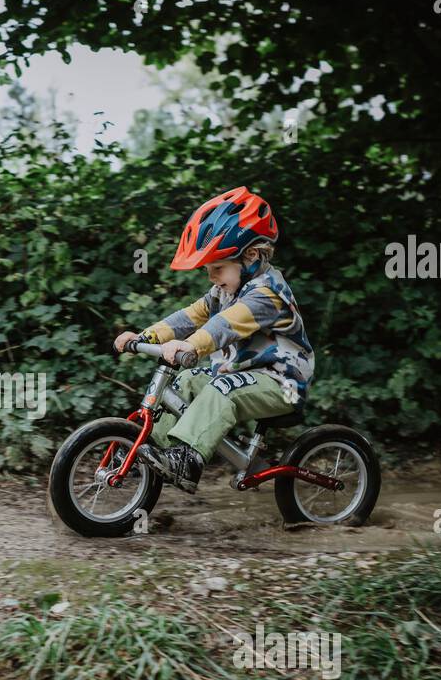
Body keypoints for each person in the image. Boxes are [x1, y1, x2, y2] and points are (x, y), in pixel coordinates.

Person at [113, 186, 314, 492]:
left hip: (281, 383)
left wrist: (192, 345)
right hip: (243, 375)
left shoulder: (266, 294)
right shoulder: (224, 290)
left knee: (221, 388)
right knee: (185, 381)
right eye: (208, 269)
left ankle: (187, 460)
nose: (211, 277)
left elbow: (224, 325)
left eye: (217, 268)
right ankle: (151, 450)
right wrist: (144, 336)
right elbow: (190, 316)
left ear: (251, 255)